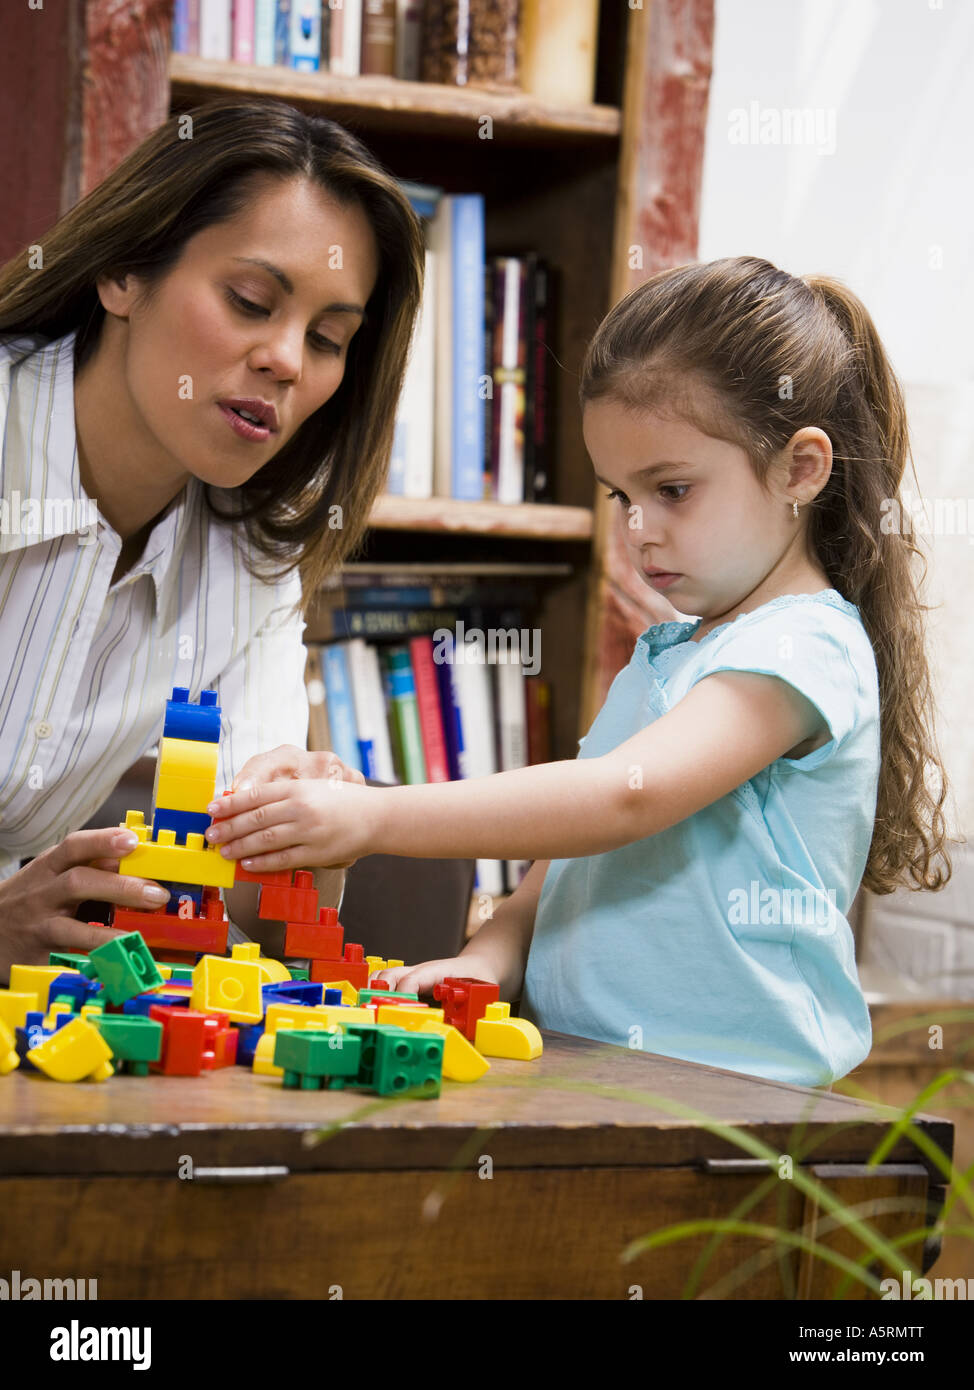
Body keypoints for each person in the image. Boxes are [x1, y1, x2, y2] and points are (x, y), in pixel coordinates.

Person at [203, 255, 955, 1089]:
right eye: (618, 497)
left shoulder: (802, 648)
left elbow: (625, 798)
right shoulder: (673, 656)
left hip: (732, 1096)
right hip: (590, 1073)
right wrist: (489, 957)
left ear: (800, 470)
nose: (639, 530)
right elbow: (564, 859)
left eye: (672, 489)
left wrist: (371, 820)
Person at [0, 98, 424, 982]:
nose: (287, 362)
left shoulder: (252, 554)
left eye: (328, 338)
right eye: (250, 301)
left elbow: (234, 891)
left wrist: (302, 832)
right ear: (124, 271)